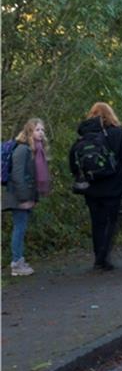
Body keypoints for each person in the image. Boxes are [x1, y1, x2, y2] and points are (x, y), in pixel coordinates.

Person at [69, 102, 122, 271]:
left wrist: (82, 176)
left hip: (91, 187)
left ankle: (98, 255)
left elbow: (73, 161)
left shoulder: (83, 137)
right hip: (113, 185)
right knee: (110, 221)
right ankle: (102, 257)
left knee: (96, 221)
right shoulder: (119, 133)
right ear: (111, 115)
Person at [3, 118, 51, 276]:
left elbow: (34, 176)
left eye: (42, 130)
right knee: (19, 228)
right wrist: (25, 199)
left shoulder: (36, 150)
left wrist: (33, 197)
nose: (41, 133)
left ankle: (19, 260)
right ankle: (16, 263)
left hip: (25, 195)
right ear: (29, 131)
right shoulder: (23, 149)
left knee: (21, 228)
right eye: (37, 130)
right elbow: (17, 175)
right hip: (18, 196)